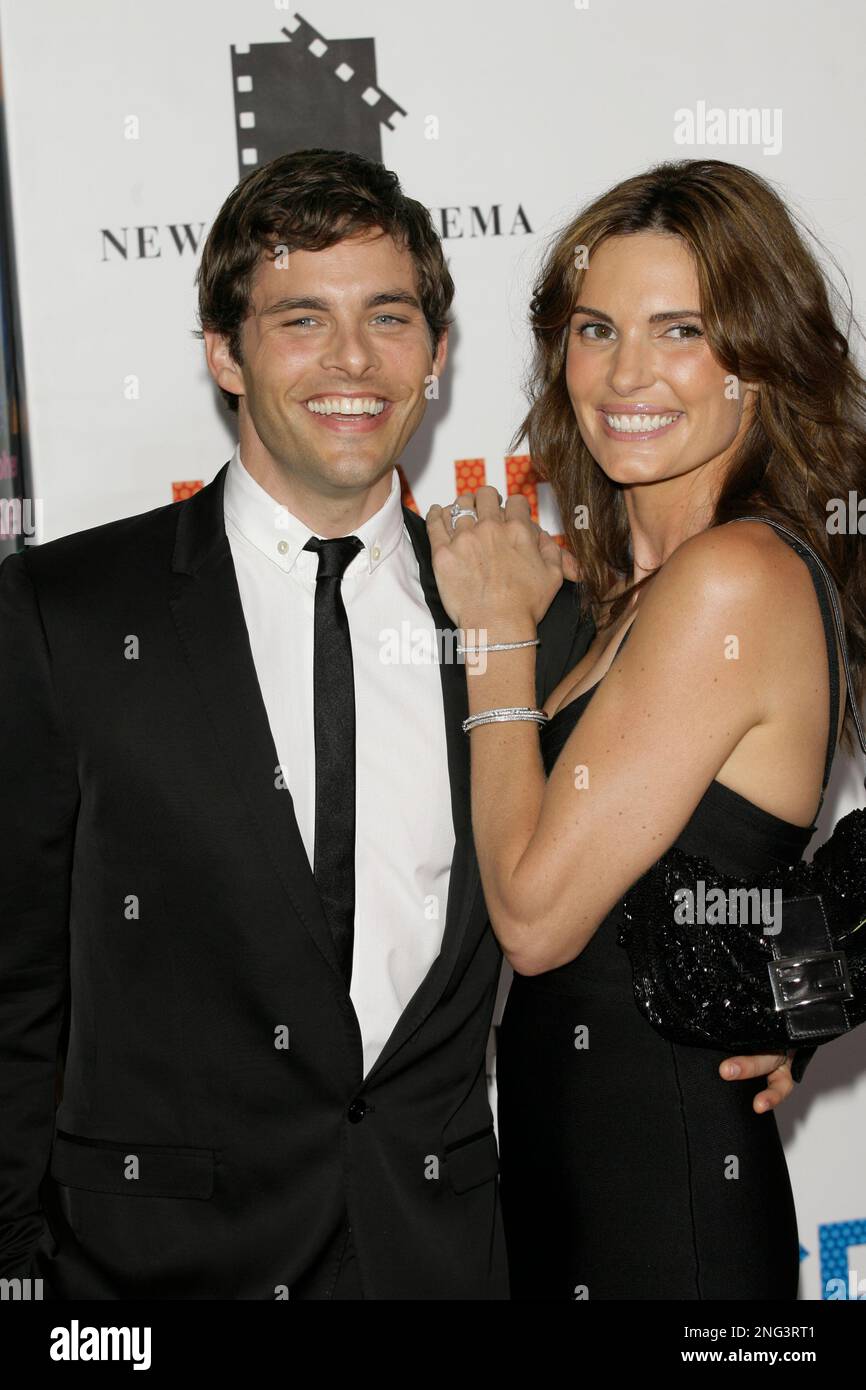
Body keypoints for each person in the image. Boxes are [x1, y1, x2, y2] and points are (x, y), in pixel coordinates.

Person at [0, 150, 802, 1301]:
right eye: (299, 320)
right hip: (147, 1276)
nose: (352, 362)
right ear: (224, 353)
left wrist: (793, 993)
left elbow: (715, 842)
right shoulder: (66, 614)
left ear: (435, 354)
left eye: (388, 316)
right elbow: (16, 988)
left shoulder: (540, 621)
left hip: (442, 1256)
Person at [427, 158, 866, 1300]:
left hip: (663, 1212)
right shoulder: (631, 594)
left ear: (759, 363)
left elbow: (532, 913)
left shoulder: (733, 580)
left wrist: (493, 635)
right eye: (593, 328)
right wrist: (799, 983)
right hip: (576, 1180)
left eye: (680, 330)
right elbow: (715, 869)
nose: (626, 373)